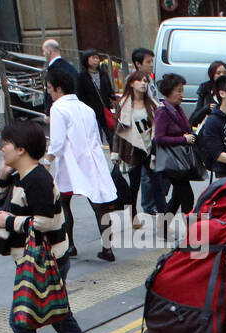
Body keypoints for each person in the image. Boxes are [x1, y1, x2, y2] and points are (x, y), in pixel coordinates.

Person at [0, 120, 101, 333]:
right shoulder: (21, 174)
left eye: (5, 144)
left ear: (21, 149)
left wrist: (11, 222)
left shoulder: (37, 179)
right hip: (40, 259)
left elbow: (46, 221)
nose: (1, 148)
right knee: (58, 315)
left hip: (46, 260)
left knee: (22, 321)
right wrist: (3, 175)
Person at [44, 66, 118, 262]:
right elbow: (95, 135)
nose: (49, 93)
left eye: (50, 89)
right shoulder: (86, 108)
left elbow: (58, 141)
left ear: (58, 88)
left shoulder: (58, 108)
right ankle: (107, 248)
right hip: (92, 159)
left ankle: (70, 245)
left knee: (63, 203)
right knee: (98, 204)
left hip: (70, 163)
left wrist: (47, 160)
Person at [110, 70, 156, 226]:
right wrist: (115, 153)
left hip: (150, 148)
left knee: (156, 182)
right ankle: (133, 215)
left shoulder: (152, 103)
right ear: (131, 83)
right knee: (134, 185)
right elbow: (118, 131)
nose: (143, 84)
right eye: (140, 81)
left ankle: (163, 221)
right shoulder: (123, 104)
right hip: (133, 150)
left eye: (146, 81)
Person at [153, 74, 198, 218]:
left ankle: (163, 228)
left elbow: (186, 128)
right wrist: (182, 139)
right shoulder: (163, 112)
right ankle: (191, 233)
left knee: (178, 197)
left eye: (182, 91)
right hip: (172, 162)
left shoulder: (176, 109)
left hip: (179, 161)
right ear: (168, 91)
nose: (181, 95)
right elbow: (159, 138)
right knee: (187, 198)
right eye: (178, 91)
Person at [130, 48, 168, 214]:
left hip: (152, 131)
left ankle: (154, 205)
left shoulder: (149, 80)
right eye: (148, 62)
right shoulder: (133, 82)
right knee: (142, 176)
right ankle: (145, 206)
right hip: (139, 136)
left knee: (154, 173)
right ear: (138, 64)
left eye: (152, 61)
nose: (151, 65)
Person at [76, 50, 115, 146]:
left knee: (111, 135)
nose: (96, 60)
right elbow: (79, 94)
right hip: (91, 111)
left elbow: (110, 90)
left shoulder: (103, 74)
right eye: (93, 58)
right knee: (96, 137)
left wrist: (113, 99)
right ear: (86, 60)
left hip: (105, 109)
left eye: (97, 58)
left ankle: (115, 158)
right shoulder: (82, 76)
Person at [40, 40, 78, 120]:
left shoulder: (54, 69)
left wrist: (48, 113)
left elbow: (52, 91)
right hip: (74, 106)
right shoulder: (70, 67)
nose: (43, 54)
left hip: (60, 109)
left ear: (49, 51)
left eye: (44, 51)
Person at [191, 60, 226, 129]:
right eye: (218, 73)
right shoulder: (205, 88)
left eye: (224, 73)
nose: (222, 75)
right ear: (212, 74)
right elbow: (194, 118)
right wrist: (207, 108)